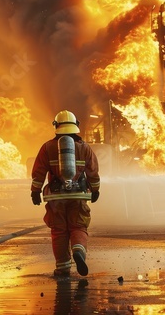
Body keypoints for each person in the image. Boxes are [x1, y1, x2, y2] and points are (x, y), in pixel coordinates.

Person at [31, 110, 101, 277]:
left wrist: (35, 191)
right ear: (76, 126)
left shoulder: (47, 147)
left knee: (59, 231)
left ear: (56, 126)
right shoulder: (84, 148)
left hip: (56, 197)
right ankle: (78, 250)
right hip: (78, 196)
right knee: (78, 226)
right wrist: (96, 190)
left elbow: (38, 171)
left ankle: (62, 268)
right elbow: (93, 172)